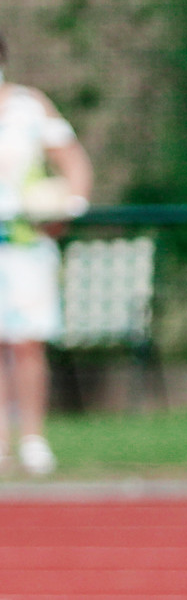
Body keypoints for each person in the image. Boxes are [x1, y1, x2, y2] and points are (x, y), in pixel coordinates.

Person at [0, 32, 93, 476]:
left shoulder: (30, 108)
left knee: (25, 342)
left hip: (25, 243)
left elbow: (74, 163)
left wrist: (67, 208)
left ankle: (32, 439)